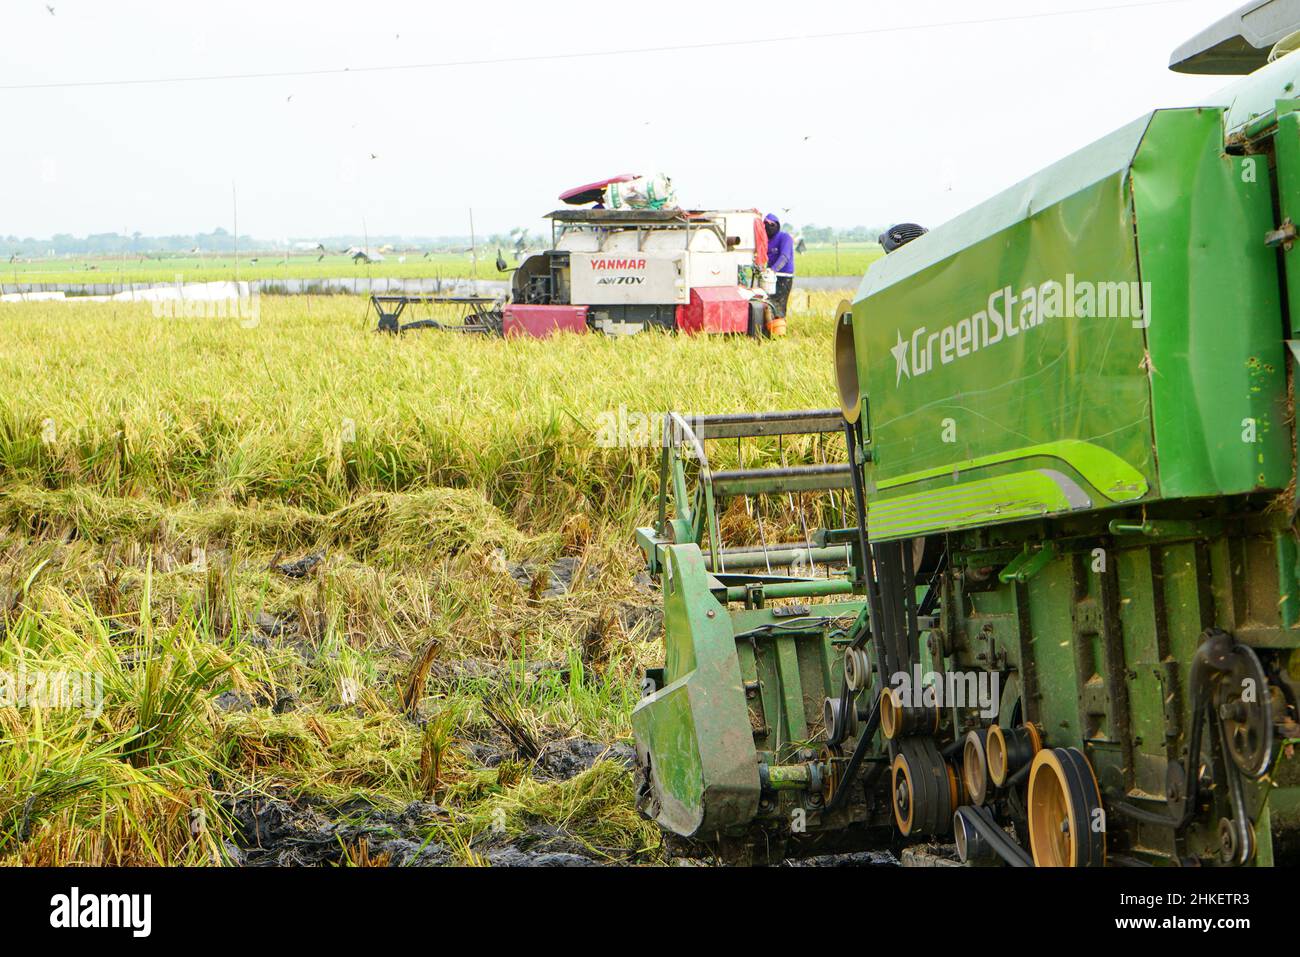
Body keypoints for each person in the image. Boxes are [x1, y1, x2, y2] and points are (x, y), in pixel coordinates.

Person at [764, 213, 795, 318]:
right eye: (766, 224)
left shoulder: (785, 238)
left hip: (784, 277)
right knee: (768, 304)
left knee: (779, 306)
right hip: (770, 278)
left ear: (777, 225)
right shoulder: (766, 241)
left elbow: (784, 257)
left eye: (771, 224)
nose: (768, 227)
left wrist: (773, 270)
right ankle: (769, 329)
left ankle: (779, 330)